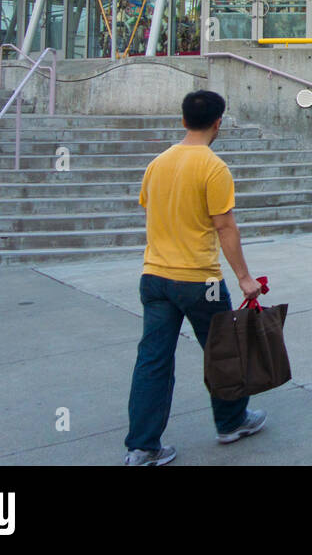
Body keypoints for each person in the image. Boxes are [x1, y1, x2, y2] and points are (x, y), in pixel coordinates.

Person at [124, 89, 268, 465]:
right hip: (199, 281)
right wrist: (245, 278)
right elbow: (225, 228)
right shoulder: (213, 167)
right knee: (223, 353)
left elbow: (150, 210)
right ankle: (231, 422)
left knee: (153, 360)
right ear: (218, 122)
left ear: (184, 119)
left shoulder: (157, 163)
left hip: (154, 277)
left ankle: (142, 447)